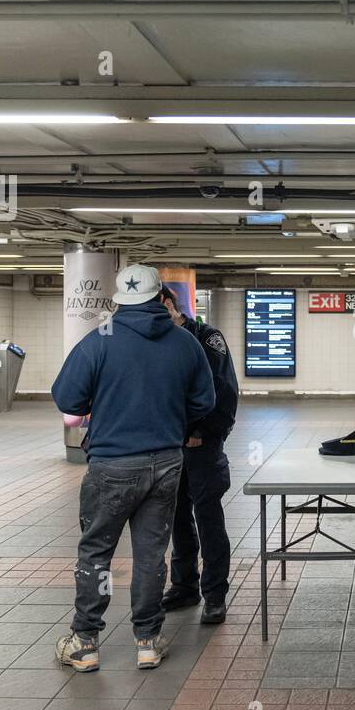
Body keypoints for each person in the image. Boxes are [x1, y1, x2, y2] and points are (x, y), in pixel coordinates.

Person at [51, 264, 215, 673]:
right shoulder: (184, 342)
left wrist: (104, 401)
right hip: (166, 462)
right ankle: (147, 639)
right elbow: (204, 401)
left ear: (117, 302)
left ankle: (85, 642)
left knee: (96, 552)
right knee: (150, 553)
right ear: (161, 297)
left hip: (112, 464)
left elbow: (67, 399)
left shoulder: (99, 341)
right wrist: (173, 418)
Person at [156, 286, 238, 626]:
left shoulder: (207, 339)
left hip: (201, 446)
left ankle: (215, 594)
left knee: (208, 518)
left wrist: (201, 432)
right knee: (177, 518)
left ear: (168, 304)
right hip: (169, 446)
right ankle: (185, 585)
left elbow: (224, 392)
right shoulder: (156, 343)